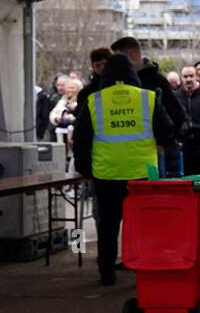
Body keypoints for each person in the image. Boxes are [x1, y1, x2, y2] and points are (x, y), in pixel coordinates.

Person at [71, 54, 175, 285]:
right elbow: (167, 128)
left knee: (107, 225)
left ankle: (107, 271)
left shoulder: (94, 101)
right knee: (142, 223)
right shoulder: (147, 98)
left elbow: (81, 139)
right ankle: (143, 266)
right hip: (143, 173)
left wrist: (84, 169)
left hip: (106, 173)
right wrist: (161, 146)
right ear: (132, 73)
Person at [110, 37, 187, 175]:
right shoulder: (120, 83)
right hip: (127, 156)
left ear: (131, 56)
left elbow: (177, 114)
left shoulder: (156, 81)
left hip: (154, 156)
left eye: (118, 60)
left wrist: (163, 143)